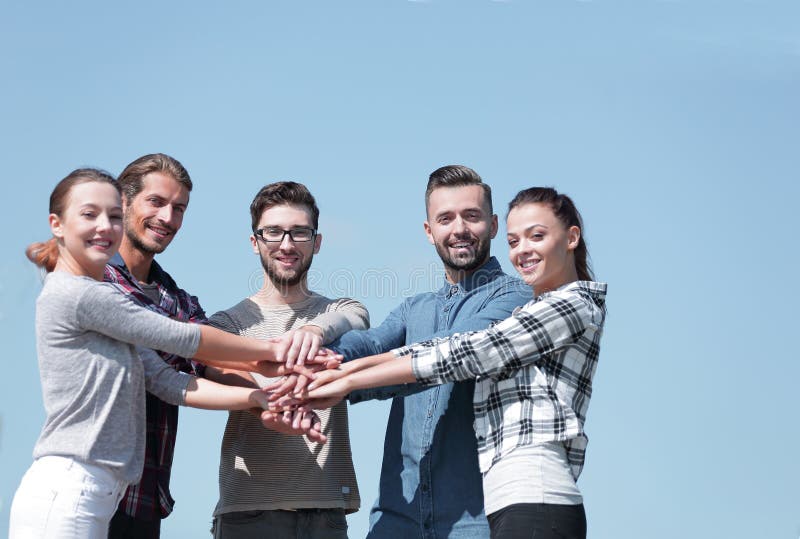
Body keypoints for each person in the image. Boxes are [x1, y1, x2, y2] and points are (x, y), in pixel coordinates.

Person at [9, 169, 329, 539]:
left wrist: (260, 395)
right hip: (70, 488)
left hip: (110, 493)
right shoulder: (87, 294)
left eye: (111, 216)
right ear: (57, 224)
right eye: (89, 214)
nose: (105, 226)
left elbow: (167, 380)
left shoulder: (154, 299)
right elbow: (182, 338)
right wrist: (276, 352)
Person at [303, 187, 608, 539]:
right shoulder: (418, 308)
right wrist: (317, 364)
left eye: (536, 236)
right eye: (445, 218)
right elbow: (373, 345)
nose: (459, 228)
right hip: (456, 508)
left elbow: (464, 351)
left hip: (517, 502)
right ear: (428, 230)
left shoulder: (535, 301)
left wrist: (345, 380)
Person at [208, 181, 370, 539]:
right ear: (255, 242)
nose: (286, 244)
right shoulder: (226, 324)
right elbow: (217, 371)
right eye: (273, 232)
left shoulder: (339, 311)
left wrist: (312, 332)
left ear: (317, 241)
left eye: (299, 232)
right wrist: (267, 406)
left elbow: (356, 319)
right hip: (248, 513)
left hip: (326, 513)